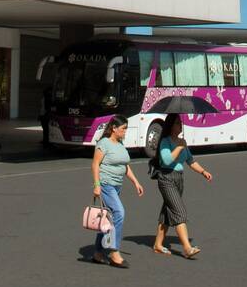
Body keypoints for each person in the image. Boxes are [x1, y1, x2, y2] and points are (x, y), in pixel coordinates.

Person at [151, 113, 213, 259]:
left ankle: (158, 245)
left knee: (168, 212)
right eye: (177, 123)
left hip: (178, 179)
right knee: (179, 212)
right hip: (166, 178)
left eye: (180, 123)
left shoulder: (182, 142)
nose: (180, 125)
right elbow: (166, 160)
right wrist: (179, 147)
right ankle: (187, 248)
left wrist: (203, 171)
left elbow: (190, 161)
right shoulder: (165, 141)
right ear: (171, 125)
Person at [90, 115, 143, 267]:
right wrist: (97, 185)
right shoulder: (104, 143)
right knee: (119, 212)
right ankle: (114, 250)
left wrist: (136, 182)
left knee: (108, 218)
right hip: (106, 184)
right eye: (123, 128)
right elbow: (95, 164)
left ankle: (98, 253)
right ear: (114, 128)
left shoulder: (120, 144)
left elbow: (125, 166)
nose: (125, 131)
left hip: (117, 185)